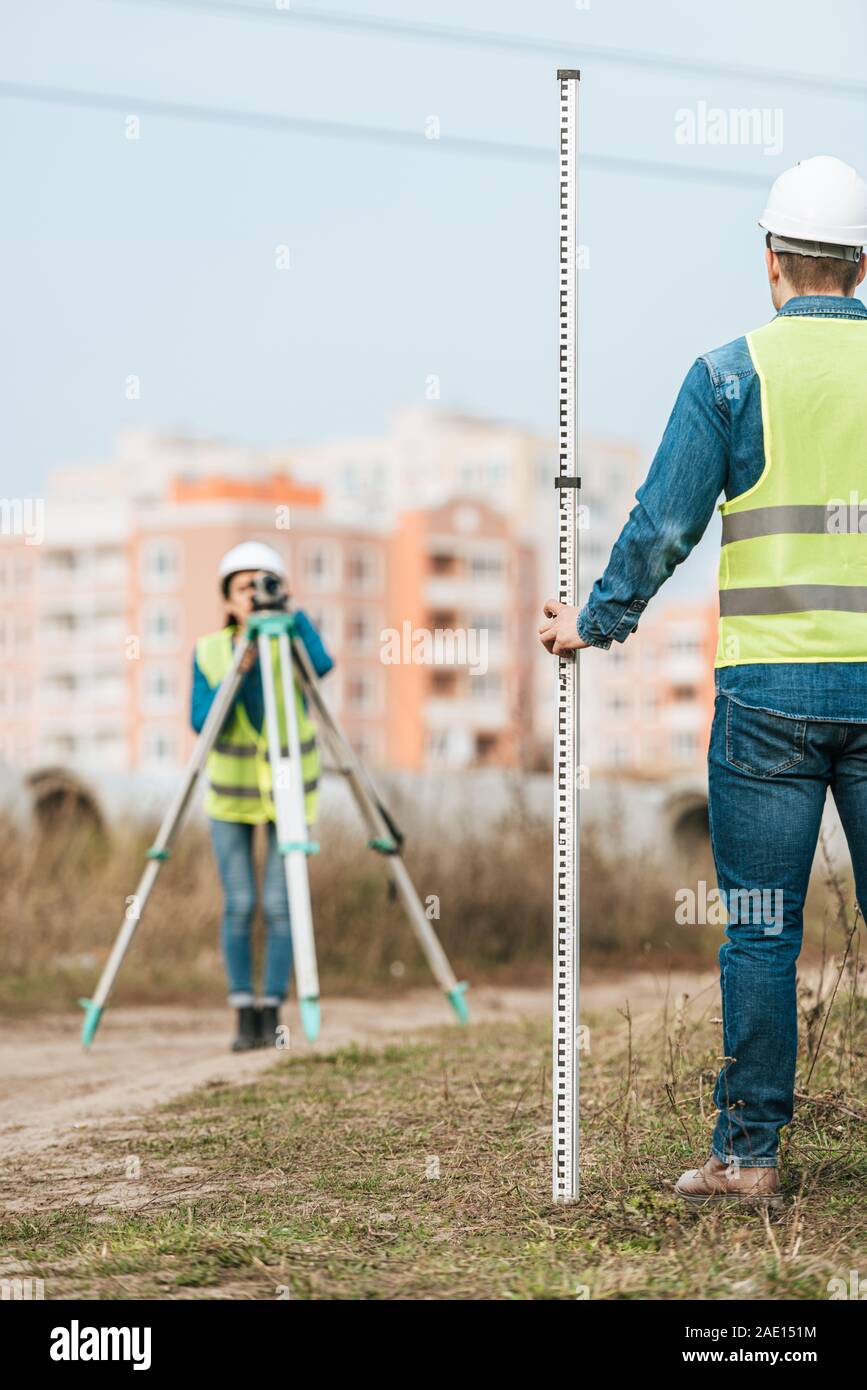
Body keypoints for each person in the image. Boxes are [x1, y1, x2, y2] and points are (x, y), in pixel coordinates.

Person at [539, 155, 867, 1205]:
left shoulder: (728, 375)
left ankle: (749, 1156)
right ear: (861, 266)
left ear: (772, 261)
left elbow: (665, 525)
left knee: (763, 926)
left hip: (767, 698)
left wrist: (593, 623)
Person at [191, 541, 334, 1053]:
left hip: (289, 790)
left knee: (279, 903)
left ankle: (273, 1010)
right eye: (243, 587)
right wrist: (242, 662)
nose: (253, 594)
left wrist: (291, 617)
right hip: (231, 796)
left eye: (263, 583)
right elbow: (201, 721)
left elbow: (321, 666)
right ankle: (242, 1014)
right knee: (240, 904)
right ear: (227, 600)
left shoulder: (292, 634)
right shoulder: (210, 650)